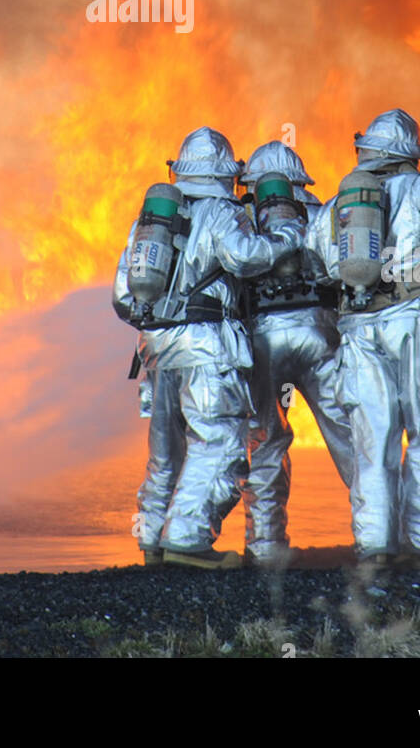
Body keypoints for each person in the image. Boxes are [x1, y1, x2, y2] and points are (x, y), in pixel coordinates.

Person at [113, 127, 302, 570]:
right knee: (219, 443)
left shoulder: (149, 222)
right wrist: (287, 236)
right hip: (207, 349)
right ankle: (188, 539)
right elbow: (244, 257)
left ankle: (152, 541)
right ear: (226, 175)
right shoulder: (221, 210)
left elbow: (123, 297)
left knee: (166, 452)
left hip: (155, 349)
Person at [308, 109, 420, 570]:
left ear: (368, 152)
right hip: (416, 321)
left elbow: (318, 259)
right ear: (410, 156)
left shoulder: (339, 203)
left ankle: (375, 545)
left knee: (373, 438)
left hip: (358, 329)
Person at [238, 141, 352, 568]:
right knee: (348, 431)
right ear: (301, 181)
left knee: (266, 441)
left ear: (251, 183)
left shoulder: (242, 219)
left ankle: (266, 546)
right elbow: (340, 272)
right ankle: (380, 535)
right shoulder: (322, 213)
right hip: (320, 336)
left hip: (263, 344)